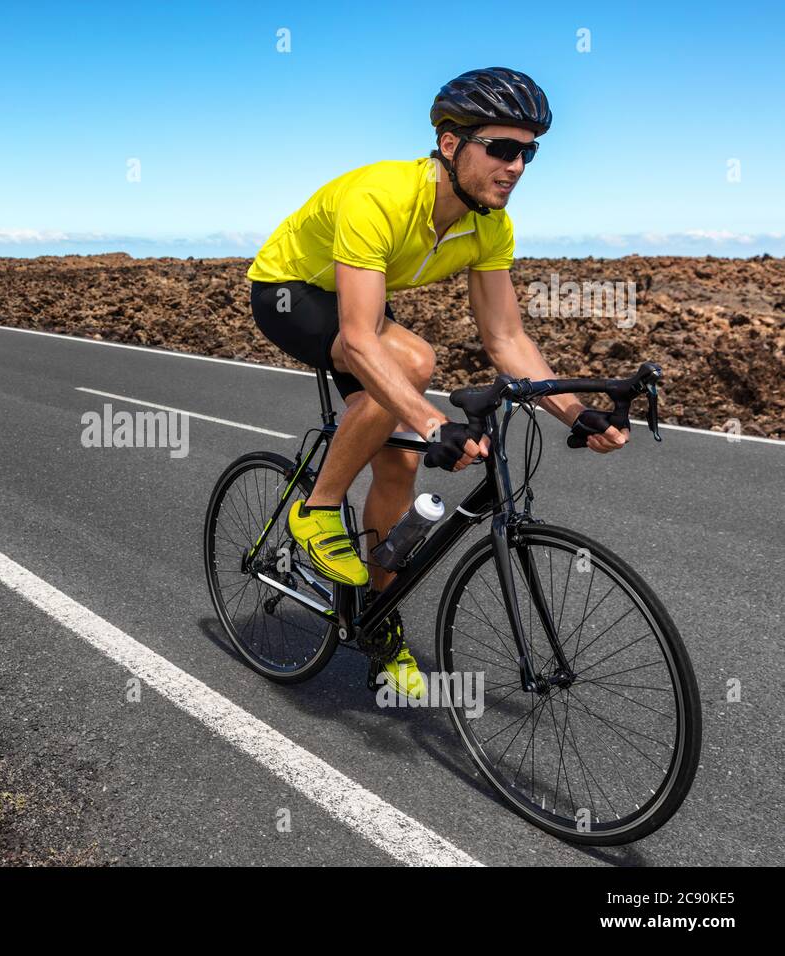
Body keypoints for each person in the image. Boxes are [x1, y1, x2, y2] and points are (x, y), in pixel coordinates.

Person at [247, 67, 628, 698]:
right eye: (502, 148)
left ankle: (376, 627)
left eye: (529, 151)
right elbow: (361, 340)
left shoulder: (491, 226)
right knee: (415, 361)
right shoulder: (381, 197)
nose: (518, 166)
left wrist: (577, 414)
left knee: (399, 471)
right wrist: (433, 423)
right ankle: (313, 513)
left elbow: (506, 340)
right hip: (289, 292)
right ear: (450, 144)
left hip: (357, 305)